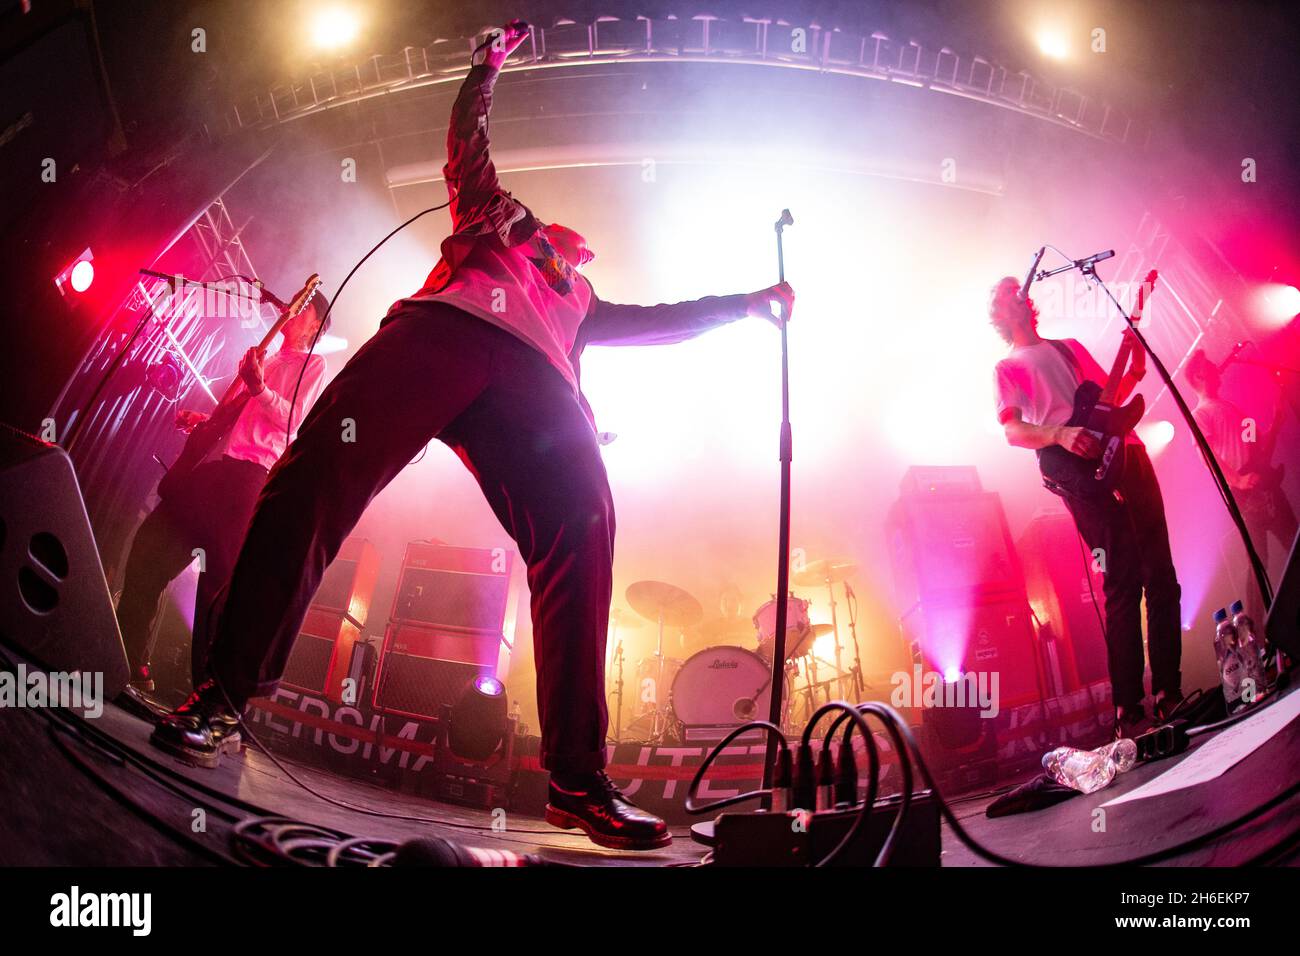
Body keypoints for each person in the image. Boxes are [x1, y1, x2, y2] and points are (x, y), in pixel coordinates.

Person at [149, 21, 794, 851]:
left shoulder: (582, 304)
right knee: (319, 471)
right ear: (553, 231)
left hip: (538, 384)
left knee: (583, 522)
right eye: (576, 239)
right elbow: (466, 145)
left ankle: (576, 776)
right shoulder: (501, 217)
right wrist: (484, 66)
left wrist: (745, 304)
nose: (585, 247)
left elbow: (662, 320)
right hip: (443, 333)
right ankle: (226, 695)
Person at [989, 276, 1182, 735]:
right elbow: (1013, 431)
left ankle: (1169, 693)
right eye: (1002, 291)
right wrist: (1059, 434)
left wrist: (1134, 365)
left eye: (1017, 288)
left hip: (1128, 451)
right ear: (998, 313)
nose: (1014, 290)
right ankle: (1129, 711)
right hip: (1079, 470)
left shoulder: (1067, 347)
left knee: (1162, 573)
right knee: (1121, 580)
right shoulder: (1007, 366)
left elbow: (1107, 397)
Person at [116, 292, 329, 700]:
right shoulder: (262, 357)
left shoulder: (312, 365)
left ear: (316, 326)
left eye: (304, 310)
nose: (291, 312)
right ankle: (130, 665)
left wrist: (260, 387)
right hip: (212, 473)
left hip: (246, 481)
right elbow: (238, 421)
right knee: (147, 553)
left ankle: (209, 699)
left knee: (215, 595)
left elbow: (292, 423)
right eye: (293, 305)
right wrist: (205, 421)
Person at [1186, 348, 1297, 581]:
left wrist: (1275, 423)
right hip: (1246, 494)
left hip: (1263, 486)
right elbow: (1207, 455)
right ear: (1198, 376)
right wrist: (1237, 480)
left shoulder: (1230, 408)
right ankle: (1258, 617)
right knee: (1259, 566)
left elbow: (1259, 449)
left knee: (1292, 546)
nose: (1216, 369)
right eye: (1209, 366)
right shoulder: (1200, 414)